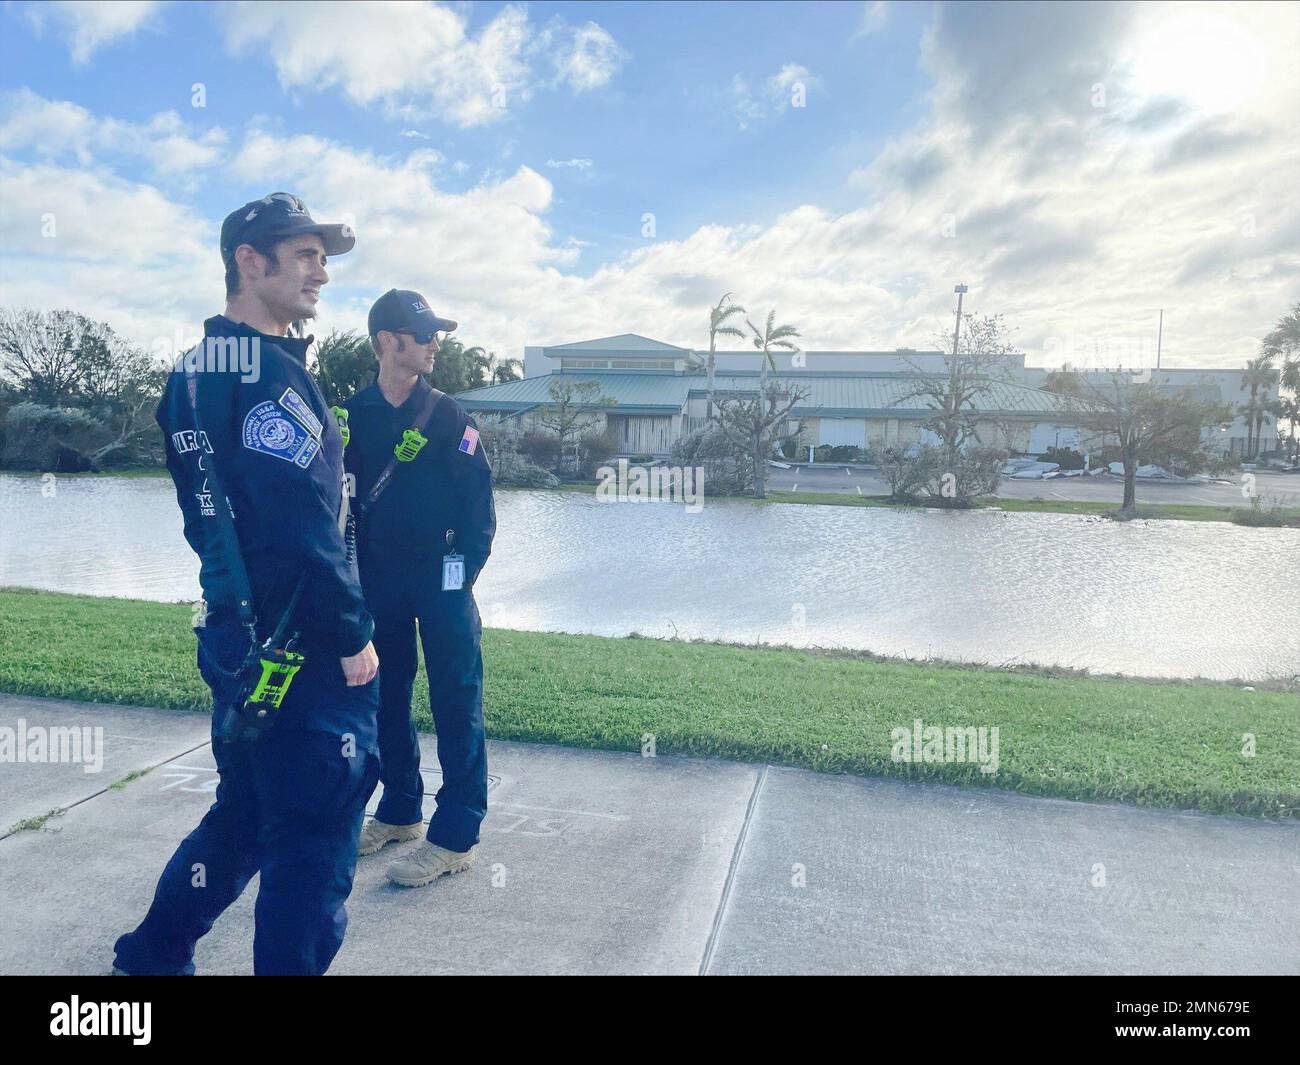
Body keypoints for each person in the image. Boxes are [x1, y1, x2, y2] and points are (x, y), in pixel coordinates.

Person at [112, 192, 381, 976]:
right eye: (304, 255)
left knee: (243, 817)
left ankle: (151, 958)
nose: (321, 272)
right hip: (304, 652)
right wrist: (354, 634)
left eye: (324, 258)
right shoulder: (269, 377)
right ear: (248, 261)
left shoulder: (195, 373)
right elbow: (302, 527)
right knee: (314, 846)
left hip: (235, 636)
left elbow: (220, 517)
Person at [343, 288, 495, 888]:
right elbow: (340, 500)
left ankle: (456, 835)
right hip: (378, 582)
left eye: (436, 333)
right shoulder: (352, 416)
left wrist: (459, 578)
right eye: (424, 333)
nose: (435, 343)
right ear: (387, 342)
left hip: (443, 581)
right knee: (384, 695)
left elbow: (479, 507)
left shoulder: (451, 417)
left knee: (456, 702)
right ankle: (401, 809)